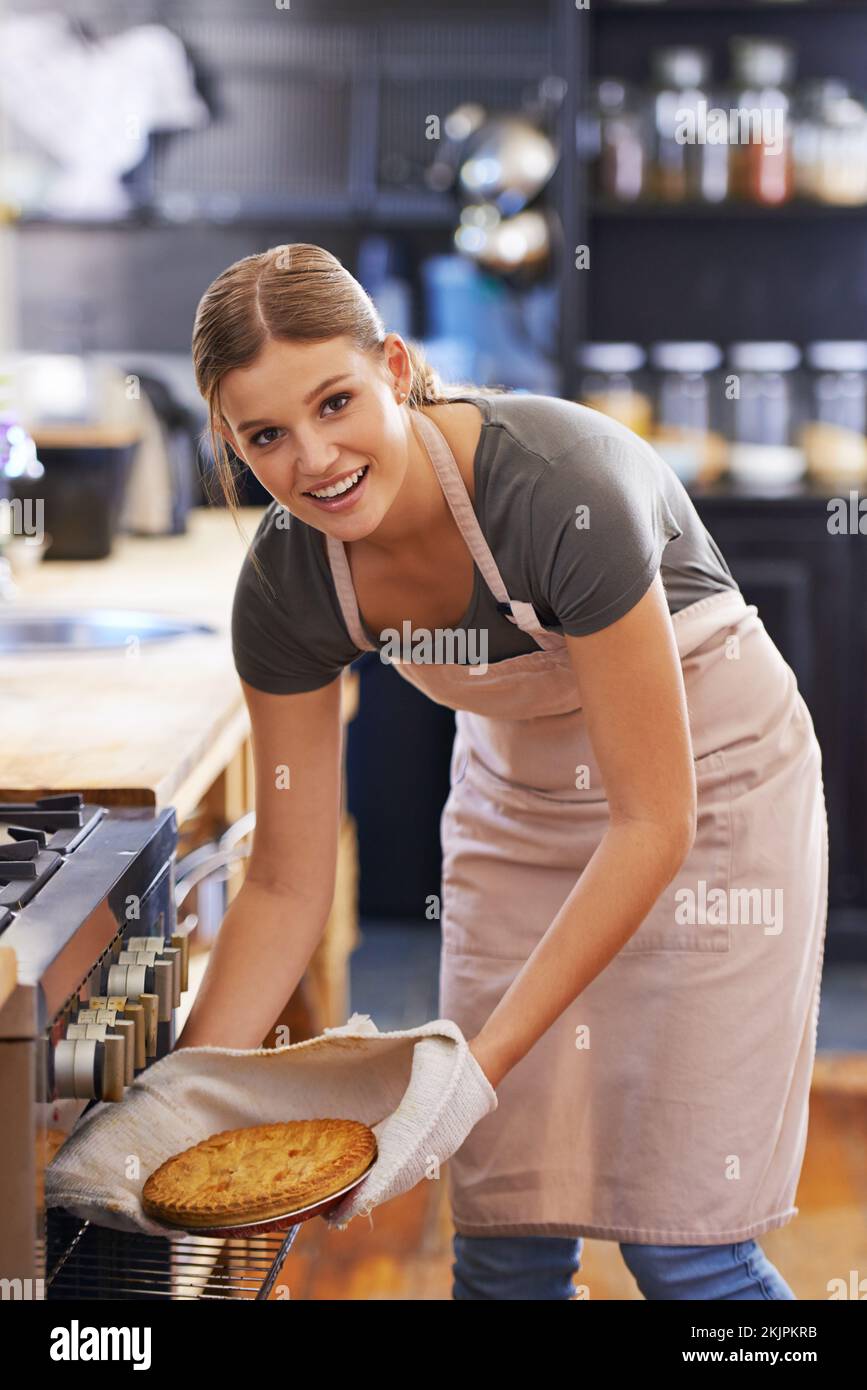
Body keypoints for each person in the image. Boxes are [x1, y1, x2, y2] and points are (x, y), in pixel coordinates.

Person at [181, 242, 829, 1301]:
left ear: (394, 366)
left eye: (335, 401)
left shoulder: (553, 488)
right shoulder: (289, 584)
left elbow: (652, 822)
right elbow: (289, 884)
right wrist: (180, 1104)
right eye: (267, 436)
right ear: (233, 443)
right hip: (519, 808)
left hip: (707, 795)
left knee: (687, 1247)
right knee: (505, 1238)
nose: (314, 460)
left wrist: (465, 1077)